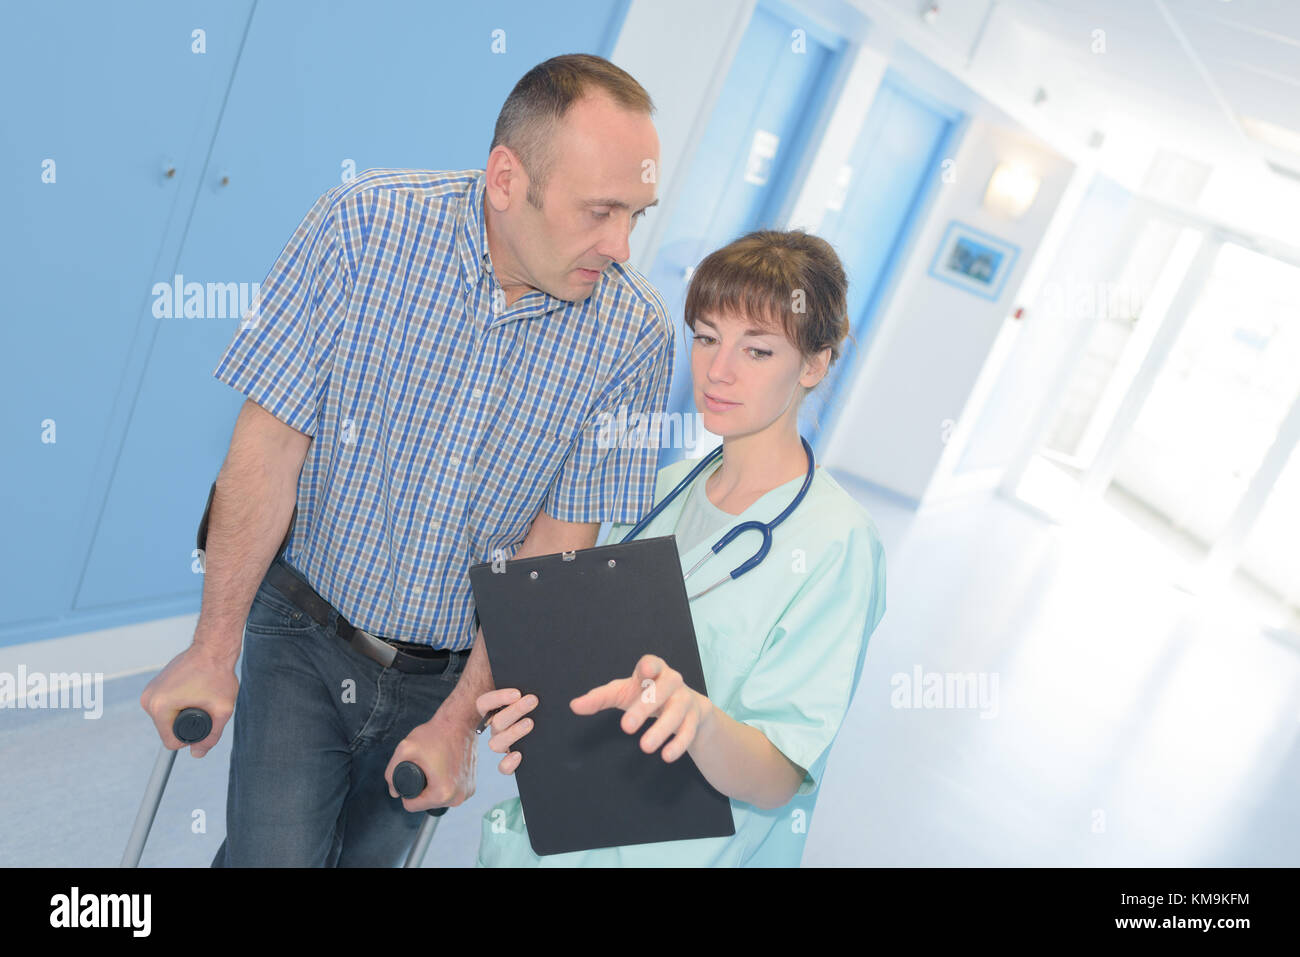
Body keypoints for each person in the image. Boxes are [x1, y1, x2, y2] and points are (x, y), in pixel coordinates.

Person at [138, 53, 673, 866]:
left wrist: (461, 719)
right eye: (600, 211)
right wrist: (212, 649)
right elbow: (268, 448)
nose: (621, 244)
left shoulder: (634, 338)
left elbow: (553, 550)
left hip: (448, 674)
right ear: (505, 178)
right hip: (306, 629)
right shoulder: (365, 228)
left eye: (637, 213)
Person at [474, 229, 887, 866]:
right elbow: (581, 667)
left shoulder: (838, 546)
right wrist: (534, 710)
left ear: (815, 363)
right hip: (559, 841)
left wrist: (694, 717)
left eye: (757, 350)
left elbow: (779, 775)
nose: (718, 371)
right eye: (706, 337)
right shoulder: (658, 494)